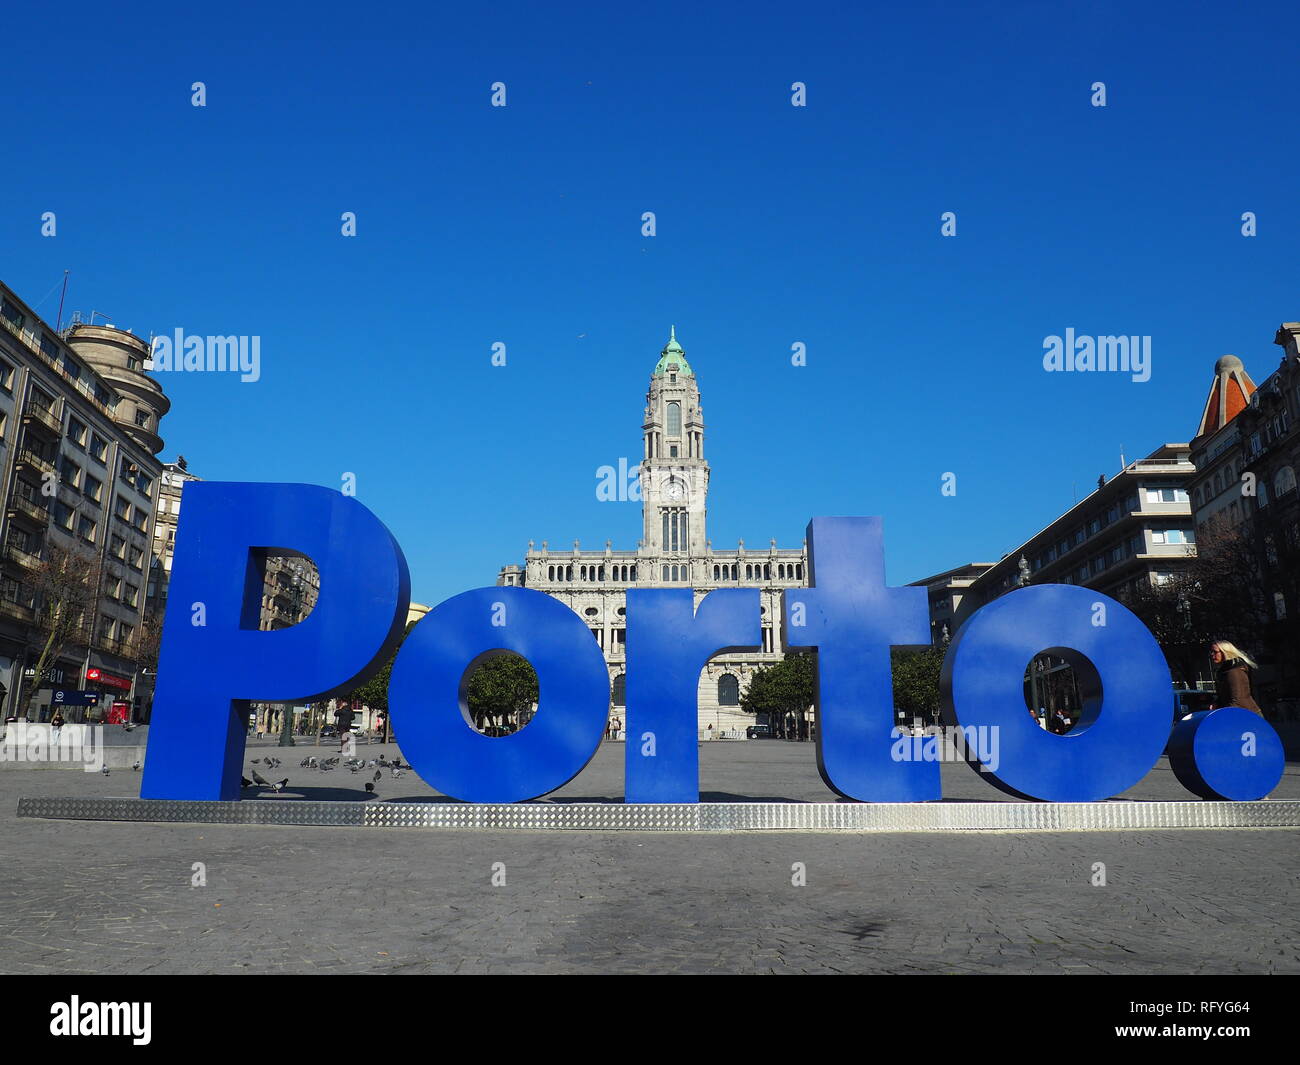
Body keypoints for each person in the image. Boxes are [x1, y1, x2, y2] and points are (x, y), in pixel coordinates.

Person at [1209, 641, 1263, 716]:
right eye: (1211, 651)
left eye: (1215, 652)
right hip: (1239, 714)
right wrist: (1217, 703)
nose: (1212, 654)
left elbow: (1237, 699)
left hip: (1247, 716)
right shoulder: (1224, 671)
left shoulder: (1235, 671)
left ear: (1225, 652)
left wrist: (1225, 716)